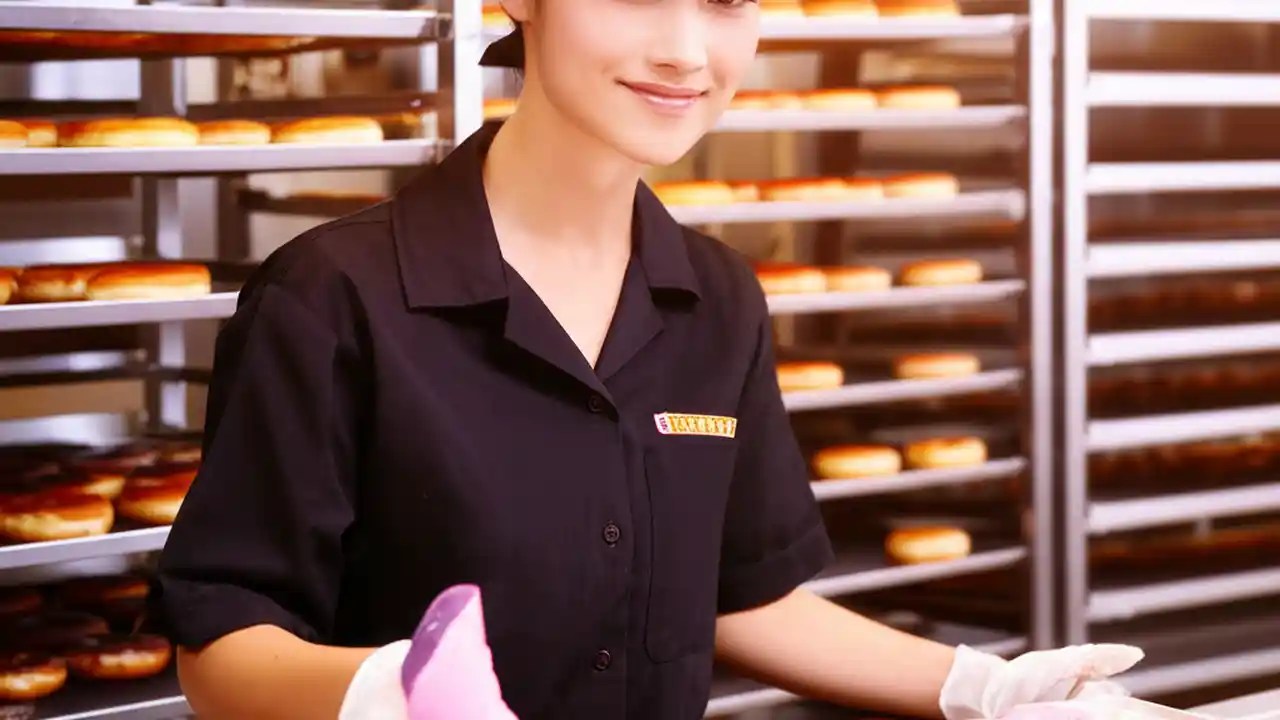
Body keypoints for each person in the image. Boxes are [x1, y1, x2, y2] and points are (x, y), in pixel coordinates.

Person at [155, 0, 1143, 718]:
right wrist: (390, 696)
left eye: (725, 1)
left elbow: (744, 599)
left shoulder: (716, 299)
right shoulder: (332, 297)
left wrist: (985, 689)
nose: (683, 49)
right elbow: (221, 649)